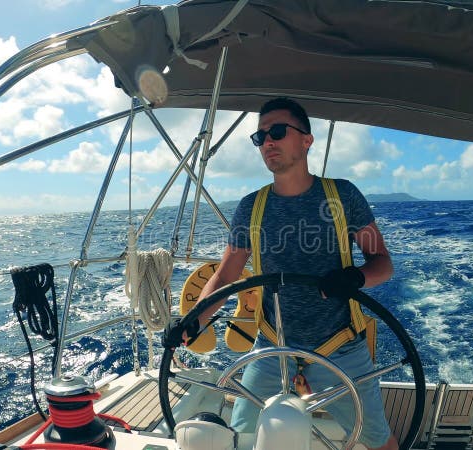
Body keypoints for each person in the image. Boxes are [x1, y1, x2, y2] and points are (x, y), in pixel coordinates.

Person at [165, 97, 396, 450]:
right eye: (260, 137)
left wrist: (356, 278)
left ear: (307, 140)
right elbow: (226, 277)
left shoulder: (343, 196)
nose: (268, 142)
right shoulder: (250, 208)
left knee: (379, 443)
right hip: (272, 346)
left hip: (341, 346)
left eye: (276, 131)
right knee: (241, 436)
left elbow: (382, 261)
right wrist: (192, 320)